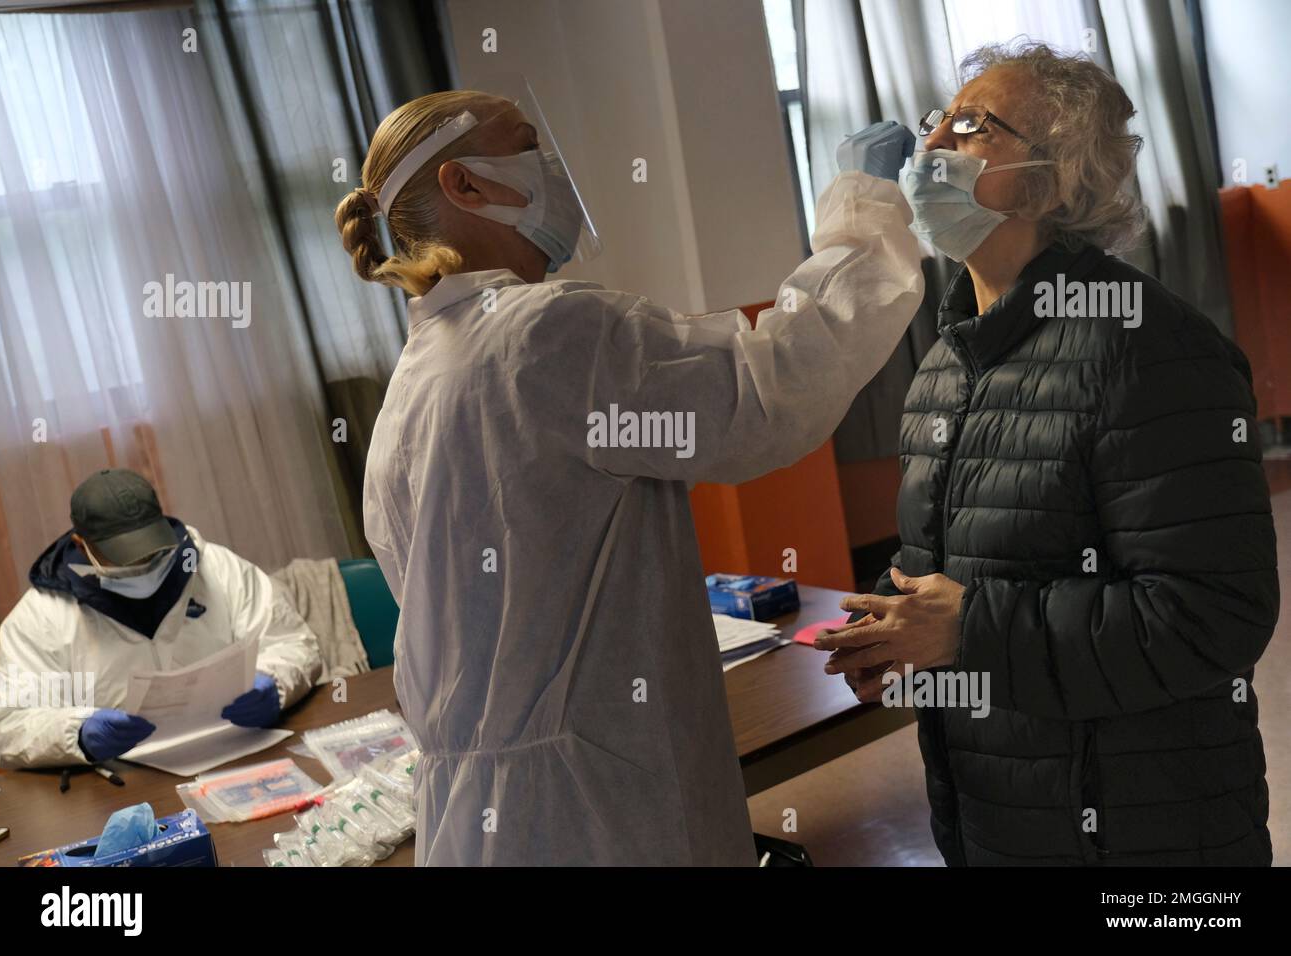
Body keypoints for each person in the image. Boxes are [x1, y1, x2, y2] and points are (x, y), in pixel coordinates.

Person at [335, 87, 924, 865]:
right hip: (597, 812)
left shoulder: (414, 384)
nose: (550, 161)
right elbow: (774, 387)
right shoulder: (545, 334)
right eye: (525, 141)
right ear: (464, 184)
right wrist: (864, 209)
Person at [814, 42, 1279, 865]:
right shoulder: (946, 360)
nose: (929, 150)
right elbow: (974, 562)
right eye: (934, 124)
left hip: (1145, 838)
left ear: (1057, 176)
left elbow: (1211, 615)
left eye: (970, 128)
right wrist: (897, 634)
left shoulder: (1151, 348)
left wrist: (971, 632)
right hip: (994, 820)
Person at [0, 468, 322, 769]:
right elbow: (8, 725)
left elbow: (294, 643)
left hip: (240, 756)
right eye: (125, 554)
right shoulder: (41, 617)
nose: (144, 562)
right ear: (81, 544)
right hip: (122, 786)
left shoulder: (218, 569)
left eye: (152, 547)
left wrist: (274, 683)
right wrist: (76, 733)